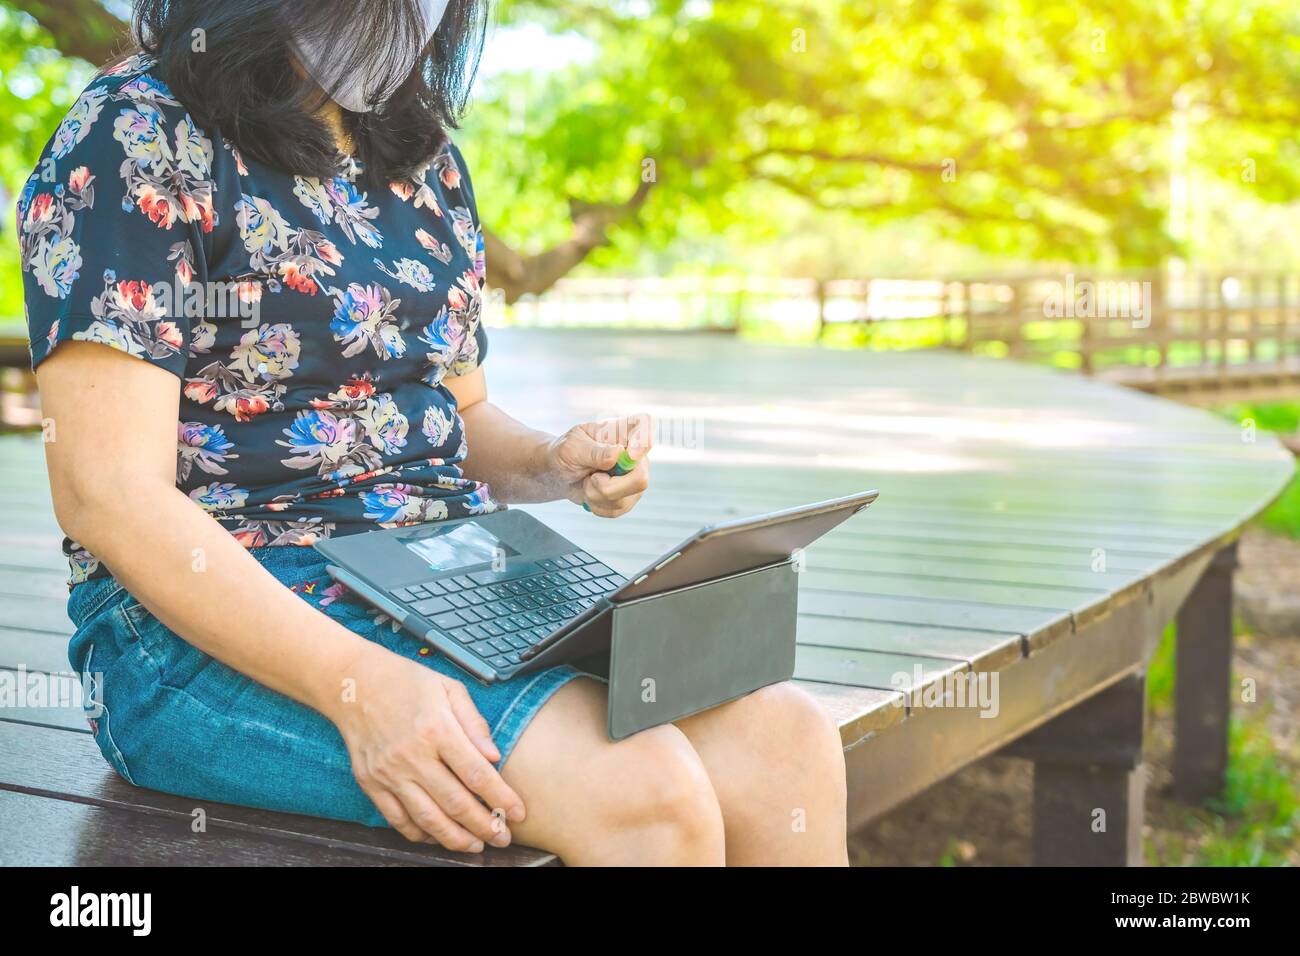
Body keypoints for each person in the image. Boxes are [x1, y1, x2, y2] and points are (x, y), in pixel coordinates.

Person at [19, 0, 847, 865]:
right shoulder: (131, 134)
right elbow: (107, 494)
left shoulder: (421, 157)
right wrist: (361, 690)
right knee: (648, 794)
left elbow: (461, 414)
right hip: (202, 617)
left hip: (447, 571)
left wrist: (551, 463)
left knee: (786, 742)